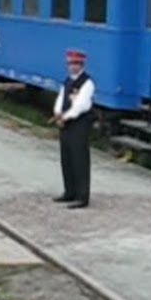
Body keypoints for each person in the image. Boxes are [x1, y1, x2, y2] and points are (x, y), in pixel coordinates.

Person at [50, 49, 95, 209]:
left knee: (79, 159)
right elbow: (61, 98)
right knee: (67, 158)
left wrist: (65, 117)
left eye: (76, 64)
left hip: (79, 124)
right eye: (70, 63)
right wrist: (57, 113)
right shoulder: (68, 81)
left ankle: (82, 196)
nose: (72, 67)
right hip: (66, 123)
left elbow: (81, 105)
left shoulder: (87, 83)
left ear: (82, 65)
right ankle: (69, 191)